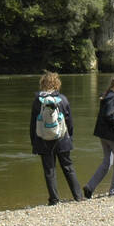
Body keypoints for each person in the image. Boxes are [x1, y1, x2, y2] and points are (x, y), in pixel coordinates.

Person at [30, 71, 84, 205]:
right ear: (57, 84)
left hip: (43, 140)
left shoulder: (38, 101)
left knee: (49, 169)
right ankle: (78, 196)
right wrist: (70, 137)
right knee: (68, 167)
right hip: (62, 138)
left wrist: (34, 142)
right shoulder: (63, 99)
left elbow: (33, 124)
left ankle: (54, 199)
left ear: (43, 84)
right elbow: (69, 121)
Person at [84, 75, 114, 199]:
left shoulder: (107, 95)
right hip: (112, 134)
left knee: (107, 161)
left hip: (103, 134)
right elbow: (109, 115)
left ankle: (90, 187)